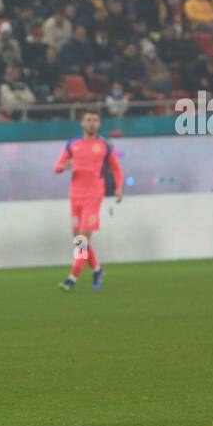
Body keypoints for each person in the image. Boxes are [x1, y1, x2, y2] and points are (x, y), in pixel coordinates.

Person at [54, 109, 123, 292]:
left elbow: (116, 168)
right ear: (82, 123)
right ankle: (98, 270)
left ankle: (72, 278)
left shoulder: (104, 145)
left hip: (94, 196)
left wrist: (118, 187)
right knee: (79, 239)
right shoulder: (72, 145)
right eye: (88, 120)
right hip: (75, 196)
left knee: (82, 238)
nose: (91, 123)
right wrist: (65, 166)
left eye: (95, 120)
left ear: (99, 124)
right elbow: (57, 167)